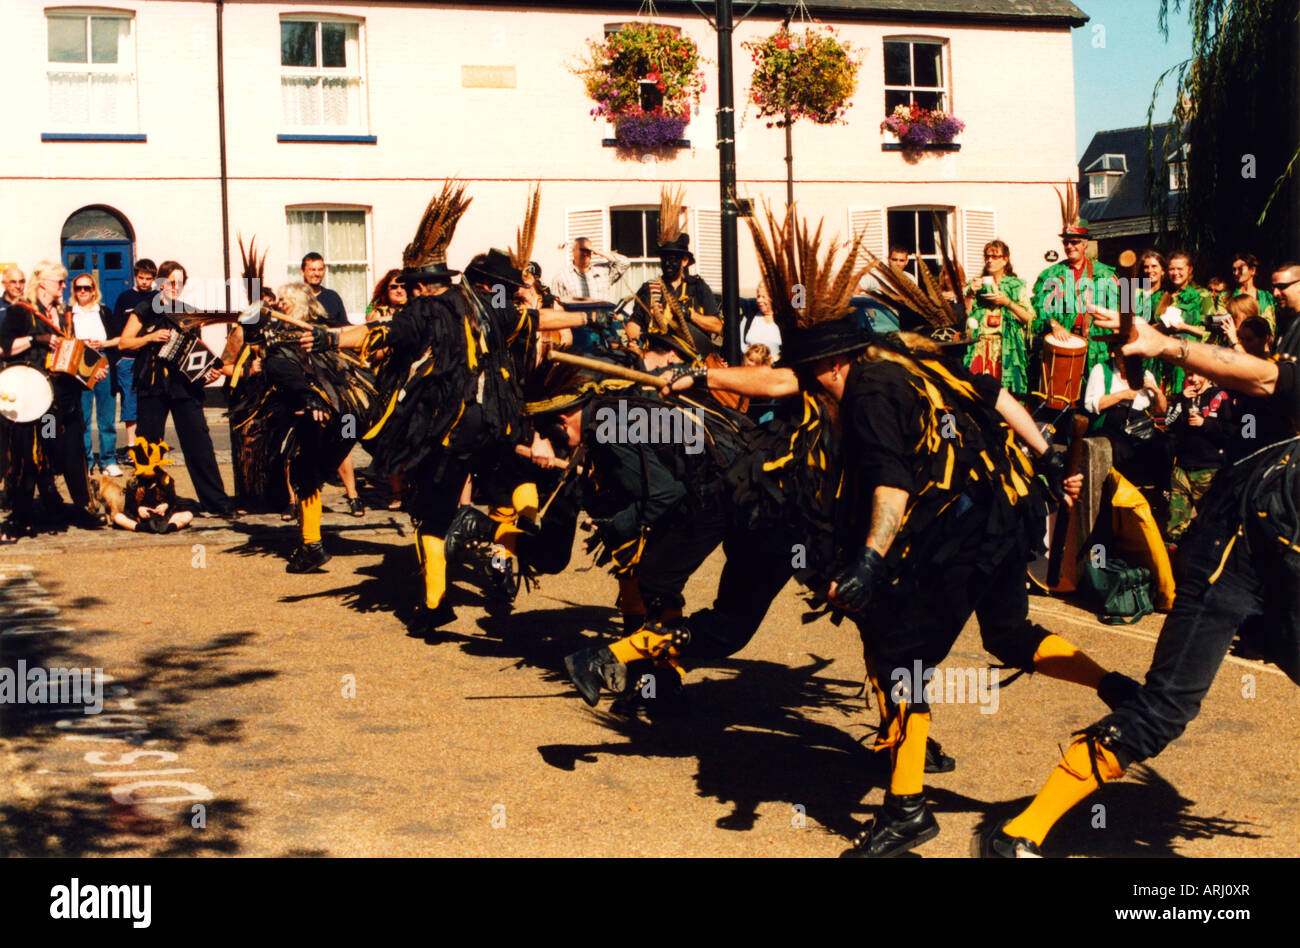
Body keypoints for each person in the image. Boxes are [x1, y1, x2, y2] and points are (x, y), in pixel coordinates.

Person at [978, 287, 1300, 858]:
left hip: (1288, 555)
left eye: (1288, 279)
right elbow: (1268, 379)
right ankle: (1018, 832)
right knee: (1164, 708)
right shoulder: (1287, 348)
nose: (1281, 290)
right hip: (1233, 549)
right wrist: (1164, 346)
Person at [257, 283, 378, 572]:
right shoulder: (315, 331)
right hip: (351, 416)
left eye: (286, 301)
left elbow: (282, 368)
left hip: (330, 415)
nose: (281, 305)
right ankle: (312, 543)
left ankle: (312, 546)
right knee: (312, 468)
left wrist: (309, 398)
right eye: (280, 301)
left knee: (305, 471)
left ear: (303, 304)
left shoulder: (309, 335)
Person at [119, 260, 238, 517]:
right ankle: (145, 499)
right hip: (152, 384)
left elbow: (197, 353)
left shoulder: (190, 313)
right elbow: (124, 343)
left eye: (180, 283)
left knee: (199, 442)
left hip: (184, 386)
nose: (175, 287)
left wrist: (208, 371)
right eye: (171, 282)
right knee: (148, 443)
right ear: (160, 282)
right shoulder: (145, 308)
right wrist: (150, 337)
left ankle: (216, 502)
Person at [0, 261, 107, 542]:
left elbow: (70, 352)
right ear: (42, 282)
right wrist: (39, 338)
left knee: (71, 452)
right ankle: (22, 517)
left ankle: (82, 507)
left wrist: (93, 369)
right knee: (32, 456)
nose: (64, 286)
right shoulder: (21, 312)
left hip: (63, 398)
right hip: (34, 397)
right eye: (59, 281)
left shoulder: (63, 313)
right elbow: (6, 348)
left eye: (64, 281)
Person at [301, 252, 363, 516]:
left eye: (320, 269)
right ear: (303, 271)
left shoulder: (332, 297)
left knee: (342, 430)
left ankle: (353, 495)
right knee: (302, 435)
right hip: (304, 370)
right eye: (311, 269)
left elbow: (344, 327)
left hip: (330, 369)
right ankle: (296, 502)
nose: (316, 273)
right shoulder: (295, 296)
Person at [626, 187, 722, 351]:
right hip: (658, 355)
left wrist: (690, 315)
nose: (668, 264)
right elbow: (635, 322)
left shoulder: (698, 287)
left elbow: (717, 326)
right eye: (664, 259)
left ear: (684, 261)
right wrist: (633, 341)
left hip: (692, 356)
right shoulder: (650, 288)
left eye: (673, 259)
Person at [1031, 210, 1120, 384]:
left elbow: (1115, 309)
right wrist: (1055, 325)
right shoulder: (1052, 274)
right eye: (1066, 242)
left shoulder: (1104, 273)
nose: (1069, 246)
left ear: (1085, 244)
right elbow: (1039, 308)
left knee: (1097, 394)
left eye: (1074, 242)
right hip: (1064, 343)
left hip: (1098, 345)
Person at [1164, 373, 1230, 542]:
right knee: (1175, 523)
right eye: (1189, 374)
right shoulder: (1184, 396)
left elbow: (1231, 431)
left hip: (1209, 468)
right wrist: (1180, 400)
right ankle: (1173, 555)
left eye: (1198, 374)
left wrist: (1205, 424)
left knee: (1207, 520)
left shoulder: (1221, 395)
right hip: (1182, 466)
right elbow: (1168, 423)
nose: (1193, 379)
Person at [963, 239, 1035, 395]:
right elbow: (967, 315)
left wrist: (1007, 302)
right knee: (976, 392)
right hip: (979, 347)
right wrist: (970, 293)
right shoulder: (976, 283)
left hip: (1005, 348)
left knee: (1003, 393)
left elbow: (1029, 318)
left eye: (995, 257)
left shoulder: (1015, 285)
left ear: (1005, 260)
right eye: (987, 256)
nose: (990, 260)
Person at [68, 272, 122, 476]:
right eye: (78, 288)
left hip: (103, 361)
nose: (83, 292)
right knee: (82, 417)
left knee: (106, 417)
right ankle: (86, 461)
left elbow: (120, 338)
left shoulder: (104, 312)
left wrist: (103, 343)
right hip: (79, 364)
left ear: (94, 291)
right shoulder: (69, 313)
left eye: (87, 288)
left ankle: (108, 460)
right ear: (73, 291)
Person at [1148, 250, 1215, 396]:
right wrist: (1162, 327)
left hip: (1191, 362)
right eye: (1172, 269)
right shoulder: (1162, 296)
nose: (1175, 273)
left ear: (1189, 270)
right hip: (1165, 359)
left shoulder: (1202, 295)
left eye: (1180, 269)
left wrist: (1184, 327)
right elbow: (1153, 329)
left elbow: (1211, 334)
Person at [110, 259, 156, 462]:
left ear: (154, 279)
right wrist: (118, 359)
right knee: (129, 403)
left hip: (149, 359)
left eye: (148, 279)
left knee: (148, 402)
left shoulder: (158, 299)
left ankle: (147, 446)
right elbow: (117, 329)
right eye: (141, 278)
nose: (144, 282)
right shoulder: (125, 298)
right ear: (135, 277)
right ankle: (130, 447)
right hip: (128, 359)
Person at [550, 237, 630, 303]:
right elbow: (555, 306)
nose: (585, 253)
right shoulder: (561, 277)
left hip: (603, 321)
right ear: (573, 251)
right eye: (582, 250)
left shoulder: (603, 271)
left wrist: (598, 251)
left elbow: (624, 262)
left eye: (588, 250)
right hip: (577, 321)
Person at [1219, 251, 1276, 330]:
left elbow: (1269, 323)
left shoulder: (1266, 297)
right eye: (1234, 270)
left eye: (1240, 269)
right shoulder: (1225, 296)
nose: (1236, 273)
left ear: (1252, 270)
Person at [743, 282, 782, 361]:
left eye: (764, 297)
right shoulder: (750, 317)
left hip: (775, 368)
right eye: (758, 296)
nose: (759, 300)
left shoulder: (783, 320)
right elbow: (740, 344)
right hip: (751, 367)